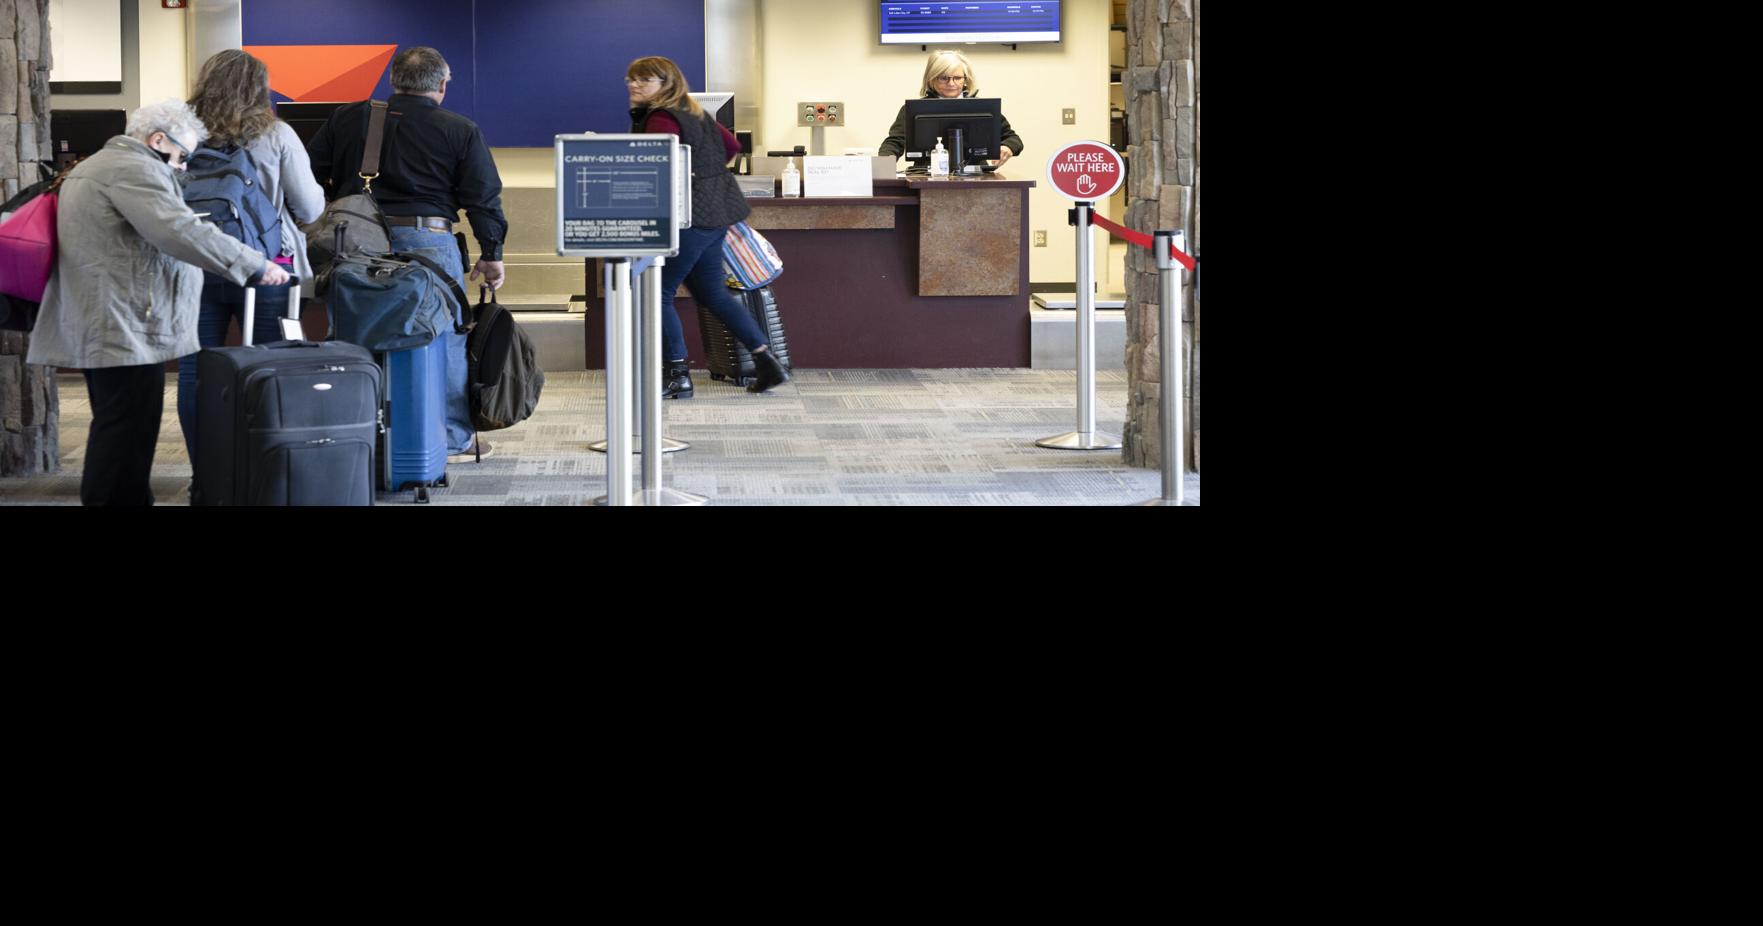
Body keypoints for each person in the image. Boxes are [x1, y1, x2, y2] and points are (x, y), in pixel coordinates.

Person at [25, 101, 291, 506]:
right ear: (158, 140)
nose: (182, 167)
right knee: (126, 433)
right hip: (123, 323)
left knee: (121, 428)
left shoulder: (97, 165)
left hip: (108, 318)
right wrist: (252, 264)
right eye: (182, 156)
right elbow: (179, 230)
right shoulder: (133, 170)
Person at [308, 46, 506, 462]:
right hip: (428, 241)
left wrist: (340, 206)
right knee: (444, 336)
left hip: (357, 241)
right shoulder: (459, 129)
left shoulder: (348, 117)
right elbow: (482, 197)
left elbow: (310, 173)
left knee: (353, 332)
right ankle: (453, 438)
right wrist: (491, 252)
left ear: (394, 81)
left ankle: (355, 432)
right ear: (442, 85)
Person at [175, 49, 327, 472]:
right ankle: (264, 475)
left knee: (195, 373)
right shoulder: (276, 135)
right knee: (269, 369)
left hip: (195, 265)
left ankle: (207, 479)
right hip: (267, 269)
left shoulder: (181, 133)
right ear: (260, 88)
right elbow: (310, 207)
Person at [625, 55, 789, 399]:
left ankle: (677, 376)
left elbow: (657, 167)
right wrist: (706, 176)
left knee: (656, 293)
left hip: (689, 219)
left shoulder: (661, 118)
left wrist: (690, 181)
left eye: (644, 80)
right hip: (715, 214)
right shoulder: (693, 110)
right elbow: (731, 146)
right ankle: (766, 360)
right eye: (631, 79)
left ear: (666, 84)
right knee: (712, 293)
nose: (634, 85)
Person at [877, 50, 1023, 167]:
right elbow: (894, 142)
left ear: (966, 79)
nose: (951, 83)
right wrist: (884, 164)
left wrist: (1008, 147)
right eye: (943, 78)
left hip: (976, 175)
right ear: (931, 79)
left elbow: (1013, 139)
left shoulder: (981, 107)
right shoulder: (915, 109)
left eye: (957, 78)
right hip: (926, 176)